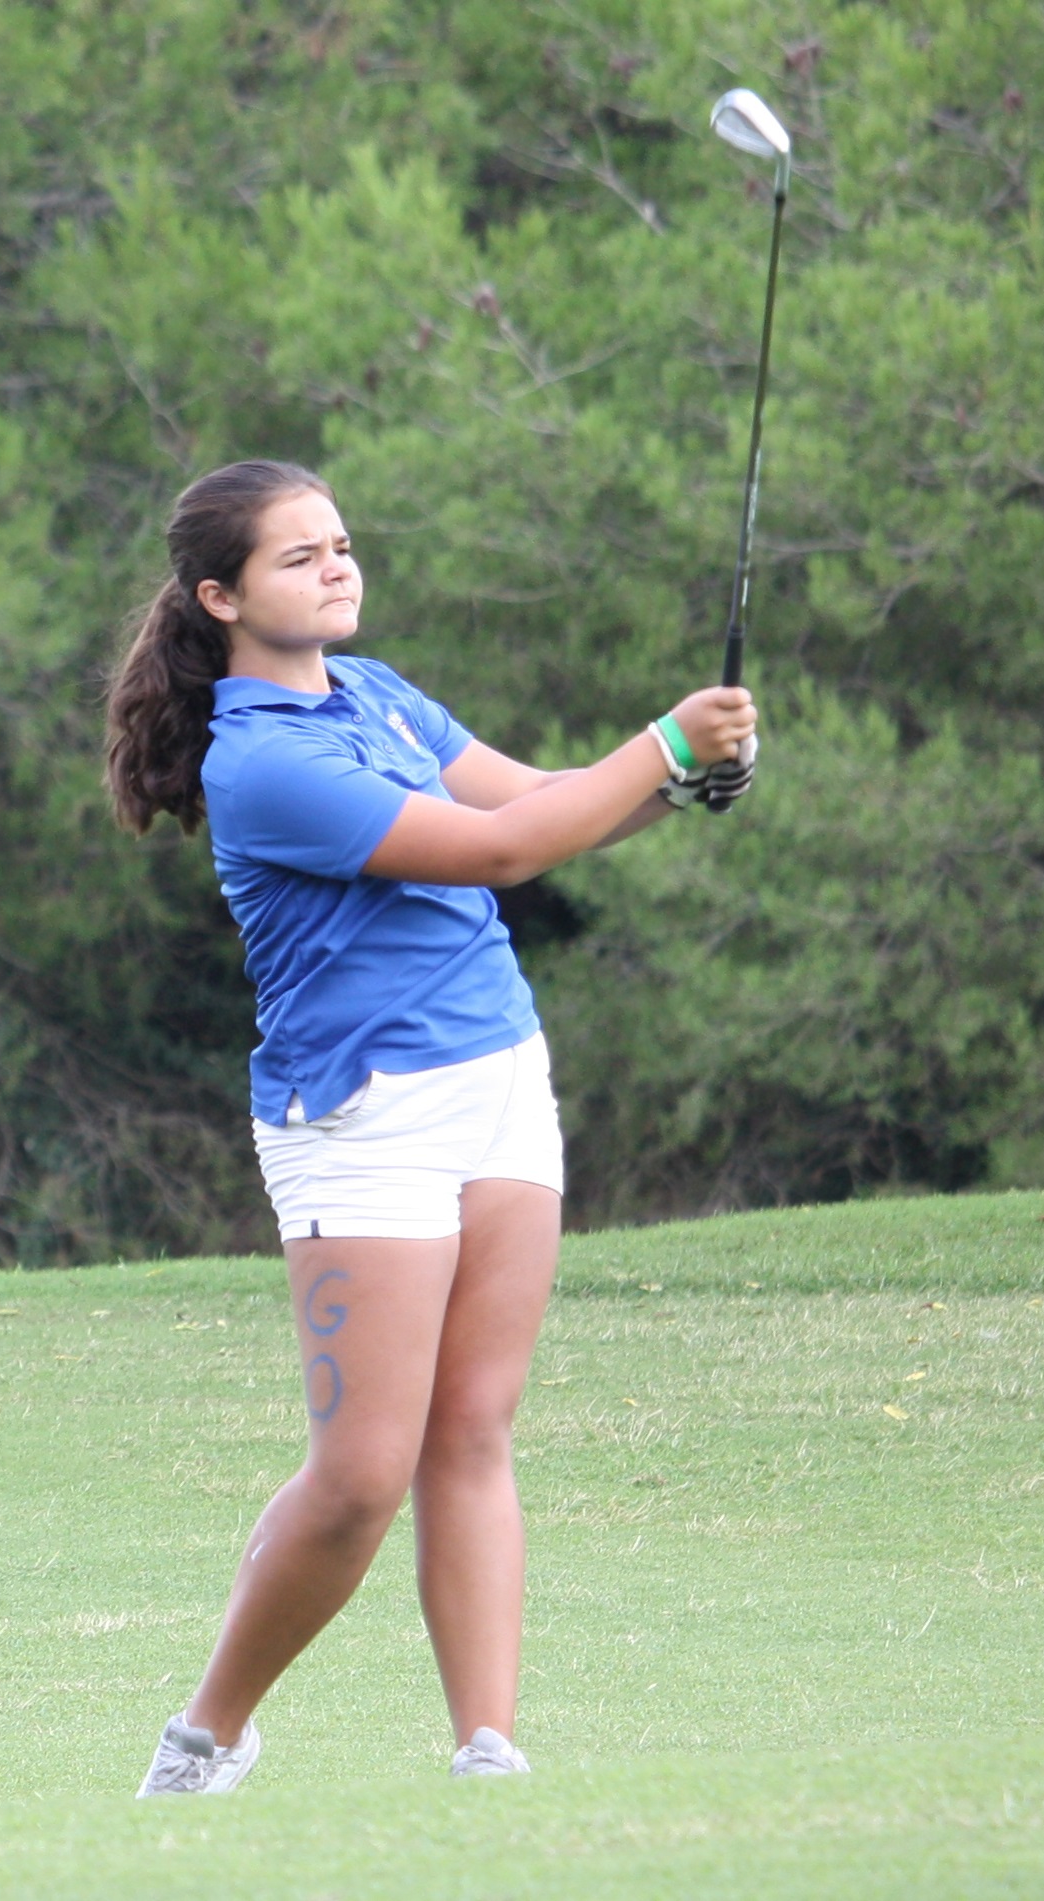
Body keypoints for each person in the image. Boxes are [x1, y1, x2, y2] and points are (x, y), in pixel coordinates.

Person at [103, 460, 757, 1795]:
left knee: (472, 1426)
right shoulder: (262, 762)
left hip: (498, 1075)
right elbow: (502, 853)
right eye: (300, 557)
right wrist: (669, 745)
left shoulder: (379, 693)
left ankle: (488, 1748)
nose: (337, 567)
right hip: (361, 1116)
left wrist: (678, 781)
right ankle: (208, 1732)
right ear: (220, 596)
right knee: (358, 1476)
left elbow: (536, 800)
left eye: (342, 544)